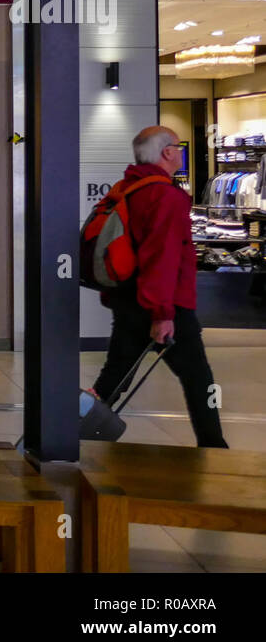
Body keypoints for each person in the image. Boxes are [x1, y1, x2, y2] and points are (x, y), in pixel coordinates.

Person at [88, 126, 228, 448]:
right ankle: (214, 448)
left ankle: (75, 433)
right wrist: (162, 314)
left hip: (128, 299)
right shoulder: (165, 195)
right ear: (166, 152)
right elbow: (162, 258)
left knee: (114, 377)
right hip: (165, 306)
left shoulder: (127, 188)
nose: (178, 152)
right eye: (177, 147)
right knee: (199, 380)